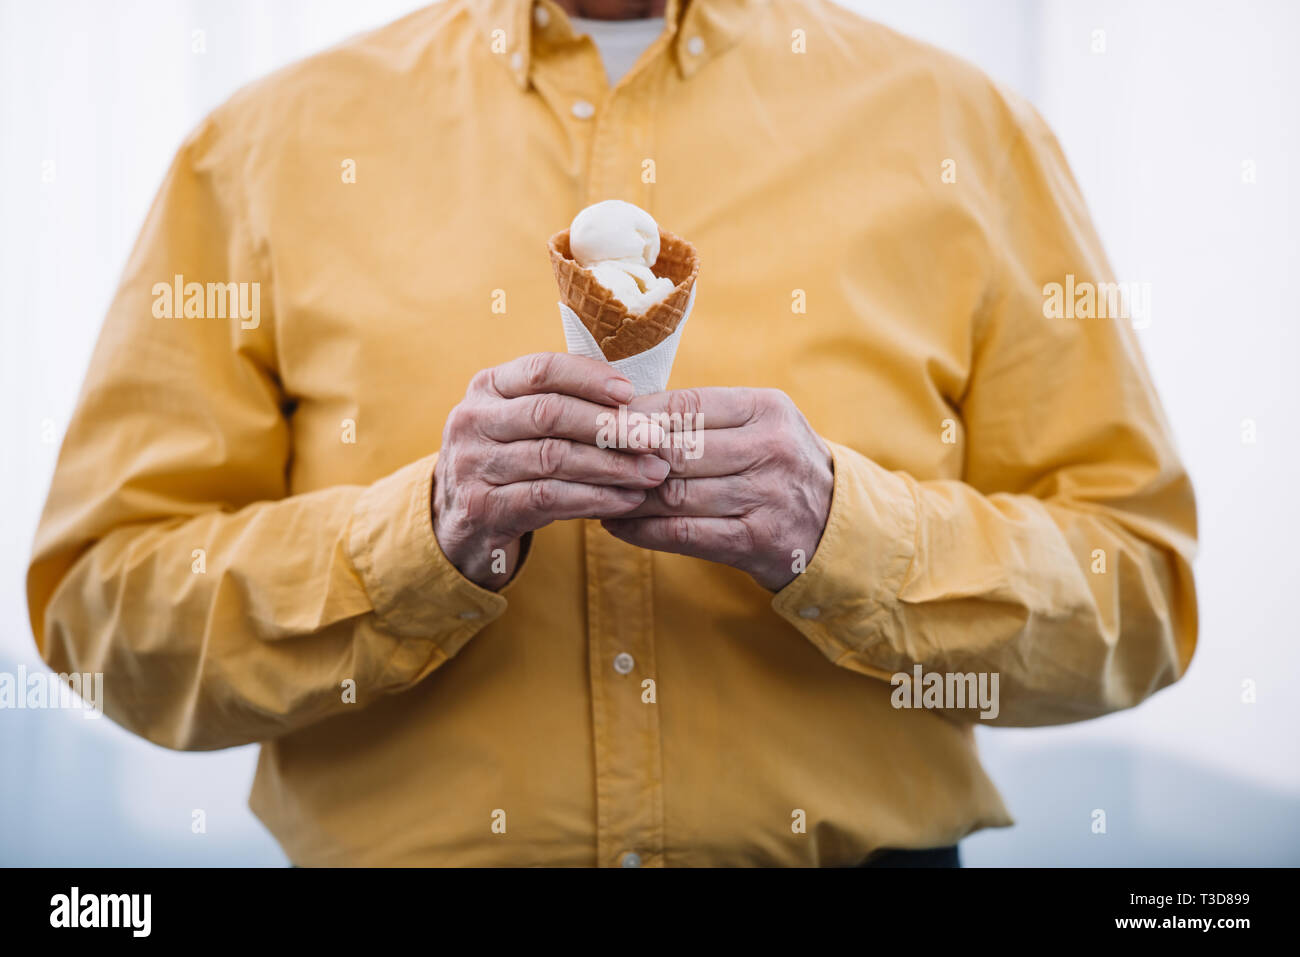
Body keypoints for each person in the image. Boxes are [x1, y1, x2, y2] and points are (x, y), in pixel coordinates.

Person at [26, 0, 1198, 867]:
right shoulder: (257, 150)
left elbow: (1137, 596)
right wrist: (417, 542)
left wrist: (848, 534)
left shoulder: (971, 131)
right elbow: (102, 610)